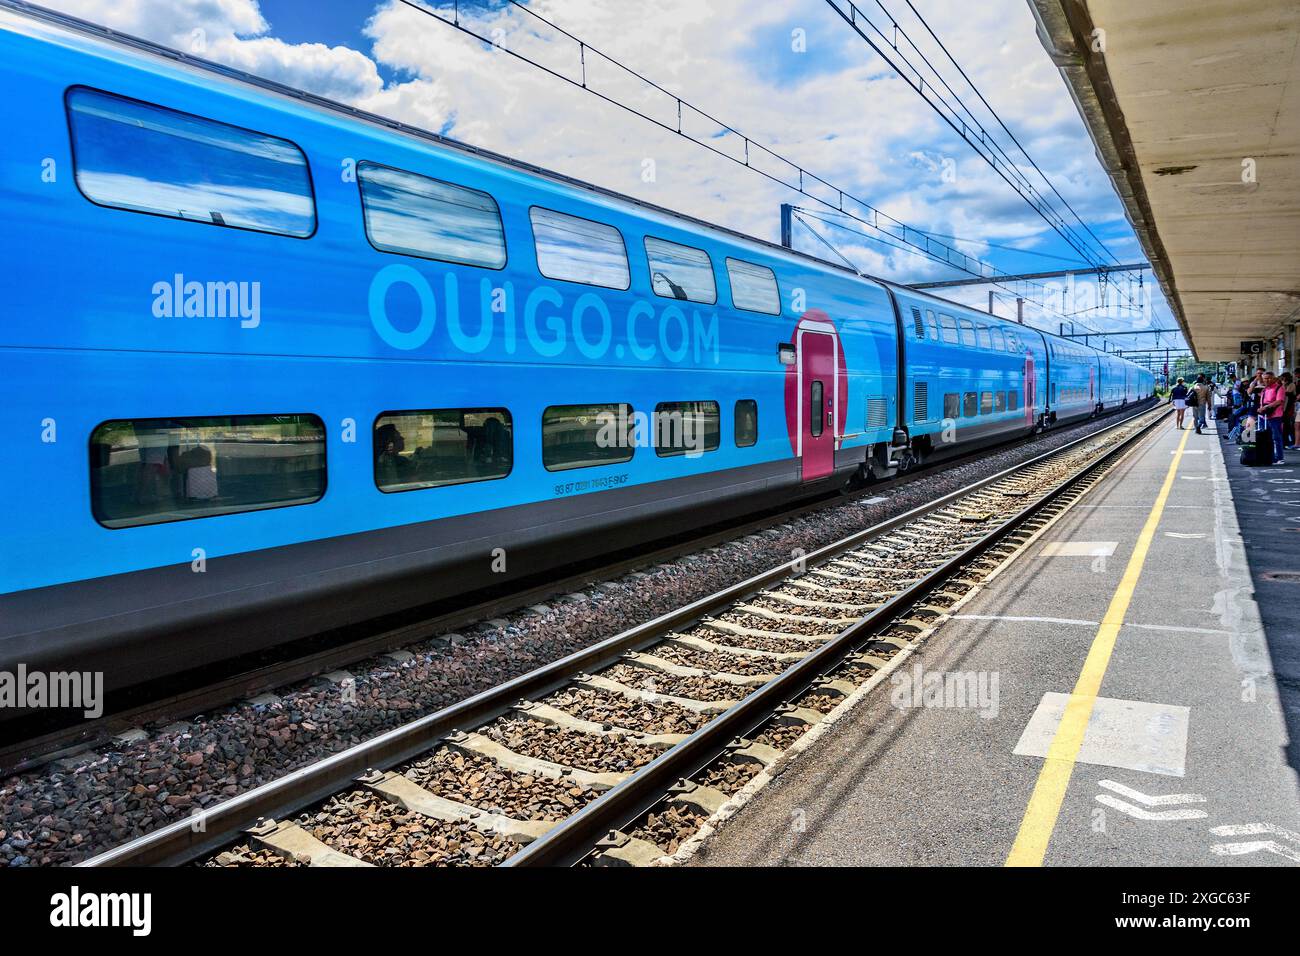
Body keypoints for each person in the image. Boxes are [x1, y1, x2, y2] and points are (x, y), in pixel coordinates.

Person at [1257, 371, 1287, 465]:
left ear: (1274, 378)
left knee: (1276, 437)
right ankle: (1270, 456)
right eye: (1265, 378)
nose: (1267, 380)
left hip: (1275, 416)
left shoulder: (1279, 388)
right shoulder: (1264, 389)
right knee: (1266, 438)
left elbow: (1279, 401)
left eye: (1269, 378)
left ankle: (1279, 457)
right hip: (1263, 416)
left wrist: (1266, 407)